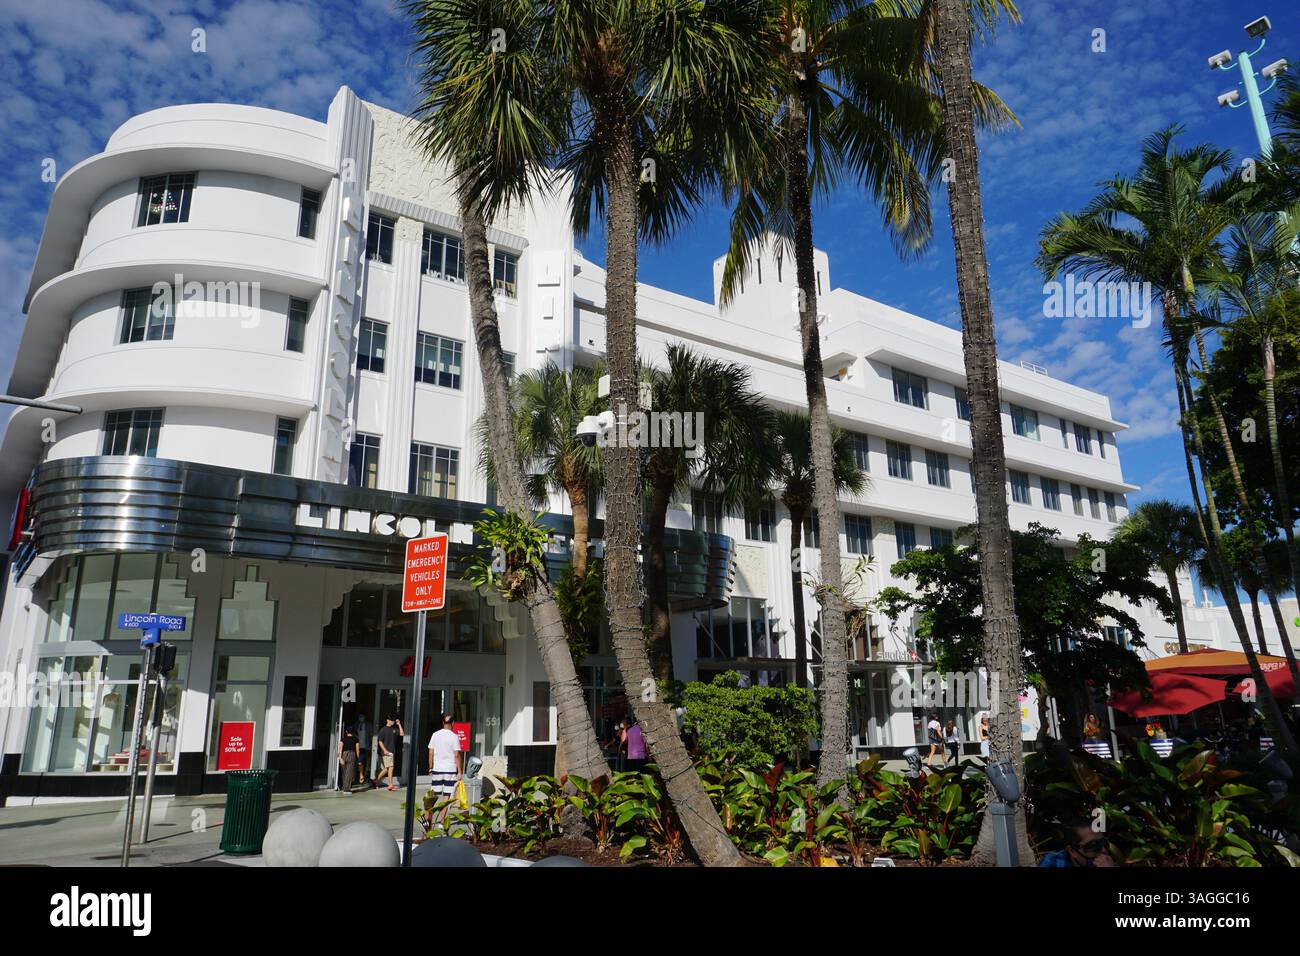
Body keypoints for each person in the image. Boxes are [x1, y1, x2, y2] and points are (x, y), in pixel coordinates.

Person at [427, 714, 464, 822]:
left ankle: (428, 820)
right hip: (450, 769)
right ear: (453, 723)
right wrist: (460, 771)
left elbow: (430, 752)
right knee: (446, 796)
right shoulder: (454, 736)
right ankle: (442, 821)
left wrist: (430, 767)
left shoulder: (435, 735)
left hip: (437, 768)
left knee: (433, 796)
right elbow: (457, 755)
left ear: (443, 723)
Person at [1038, 817, 1116, 867]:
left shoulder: (1109, 862)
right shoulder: (1053, 863)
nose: (1103, 850)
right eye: (1093, 845)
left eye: (1104, 842)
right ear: (1072, 851)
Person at [372, 714, 400, 791]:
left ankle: (376, 780)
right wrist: (384, 750)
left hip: (392, 751)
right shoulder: (383, 730)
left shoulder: (394, 729)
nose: (393, 722)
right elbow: (380, 741)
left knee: (387, 768)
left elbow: (402, 734)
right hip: (386, 752)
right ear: (387, 720)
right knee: (391, 767)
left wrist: (399, 724)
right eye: (392, 720)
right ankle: (390, 785)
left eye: (394, 721)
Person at [338, 724, 360, 795]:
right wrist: (357, 758)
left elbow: (340, 749)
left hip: (344, 754)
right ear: (353, 732)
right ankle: (347, 789)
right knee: (349, 772)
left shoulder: (343, 739)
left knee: (344, 772)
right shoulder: (356, 739)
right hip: (352, 754)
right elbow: (357, 750)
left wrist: (340, 758)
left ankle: (345, 787)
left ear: (346, 731)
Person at [355, 712, 371, 785]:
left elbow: (371, 734)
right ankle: (361, 775)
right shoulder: (356, 725)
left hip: (366, 746)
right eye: (360, 717)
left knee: (366, 761)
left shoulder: (368, 725)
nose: (361, 718)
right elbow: (353, 732)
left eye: (362, 717)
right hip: (358, 746)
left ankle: (365, 776)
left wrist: (370, 744)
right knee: (360, 761)